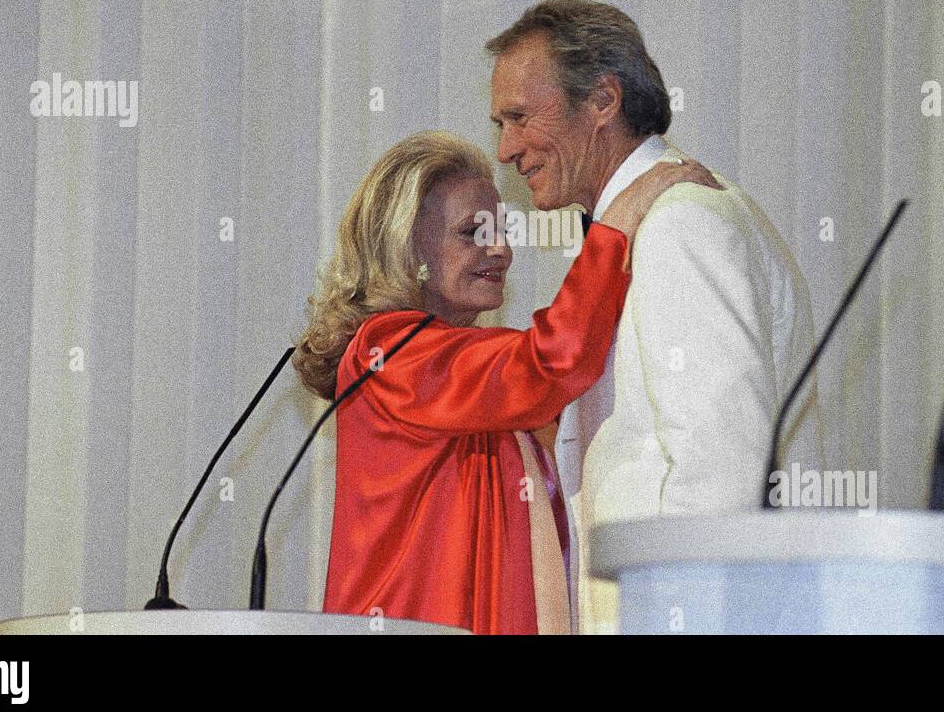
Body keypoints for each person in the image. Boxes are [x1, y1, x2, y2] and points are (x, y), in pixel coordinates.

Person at [487, 0, 826, 633]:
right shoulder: (650, 224)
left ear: (603, 102)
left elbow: (721, 469)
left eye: (519, 117)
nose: (506, 148)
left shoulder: (681, 224)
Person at [293, 130, 718, 634]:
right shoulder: (386, 352)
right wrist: (618, 223)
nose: (500, 248)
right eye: (473, 232)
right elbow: (551, 361)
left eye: (501, 229)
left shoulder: (470, 362)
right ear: (407, 249)